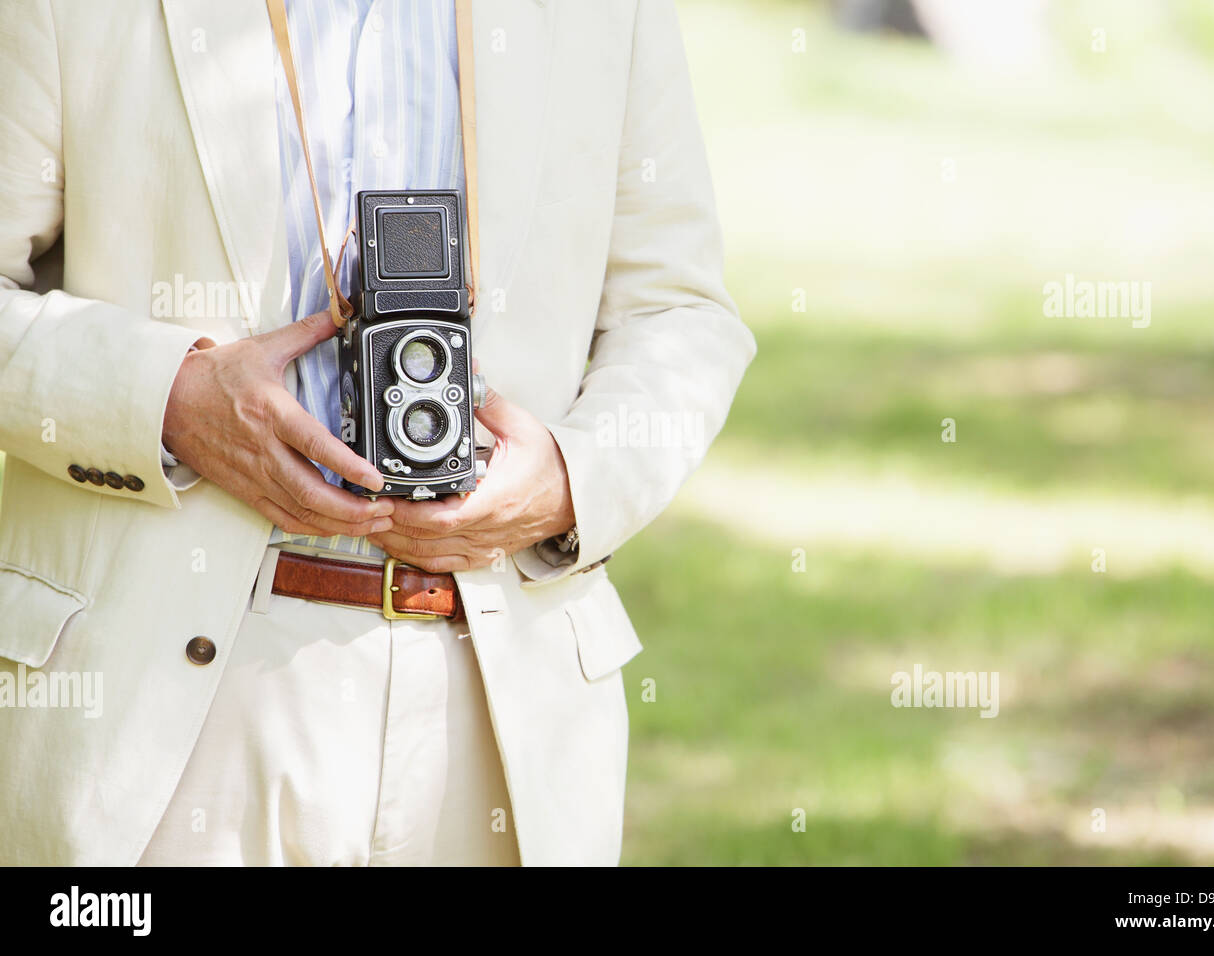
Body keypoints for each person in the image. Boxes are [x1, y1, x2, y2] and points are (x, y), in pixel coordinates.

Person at [0, 0, 753, 865]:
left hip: (499, 702)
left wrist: (569, 479)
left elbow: (679, 311)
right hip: (167, 703)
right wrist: (166, 396)